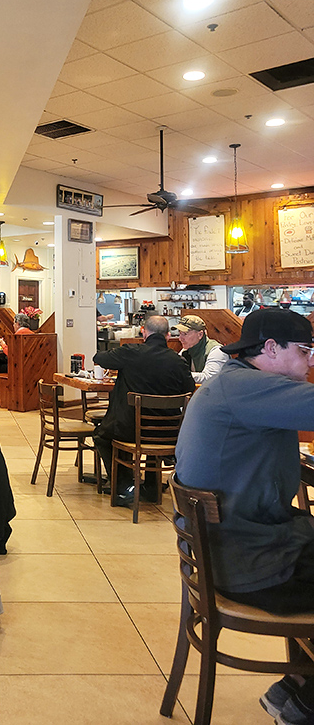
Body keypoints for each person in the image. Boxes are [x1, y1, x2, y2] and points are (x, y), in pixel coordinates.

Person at [175, 309, 314, 725]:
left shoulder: (233, 383)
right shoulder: (248, 387)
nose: (310, 361)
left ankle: (293, 688)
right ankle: (304, 704)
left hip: (229, 549)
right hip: (248, 562)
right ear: (271, 348)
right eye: (305, 350)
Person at [92, 314, 195, 506]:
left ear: (144, 332)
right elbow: (189, 391)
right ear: (167, 336)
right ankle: (150, 487)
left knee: (102, 435)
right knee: (146, 432)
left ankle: (124, 487)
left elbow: (99, 358)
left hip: (129, 431)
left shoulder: (130, 352)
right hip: (168, 433)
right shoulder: (178, 361)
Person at [176, 314, 228, 383]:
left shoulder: (217, 351)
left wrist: (181, 375)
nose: (180, 338)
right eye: (180, 333)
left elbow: (210, 378)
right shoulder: (185, 350)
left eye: (185, 334)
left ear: (200, 334)